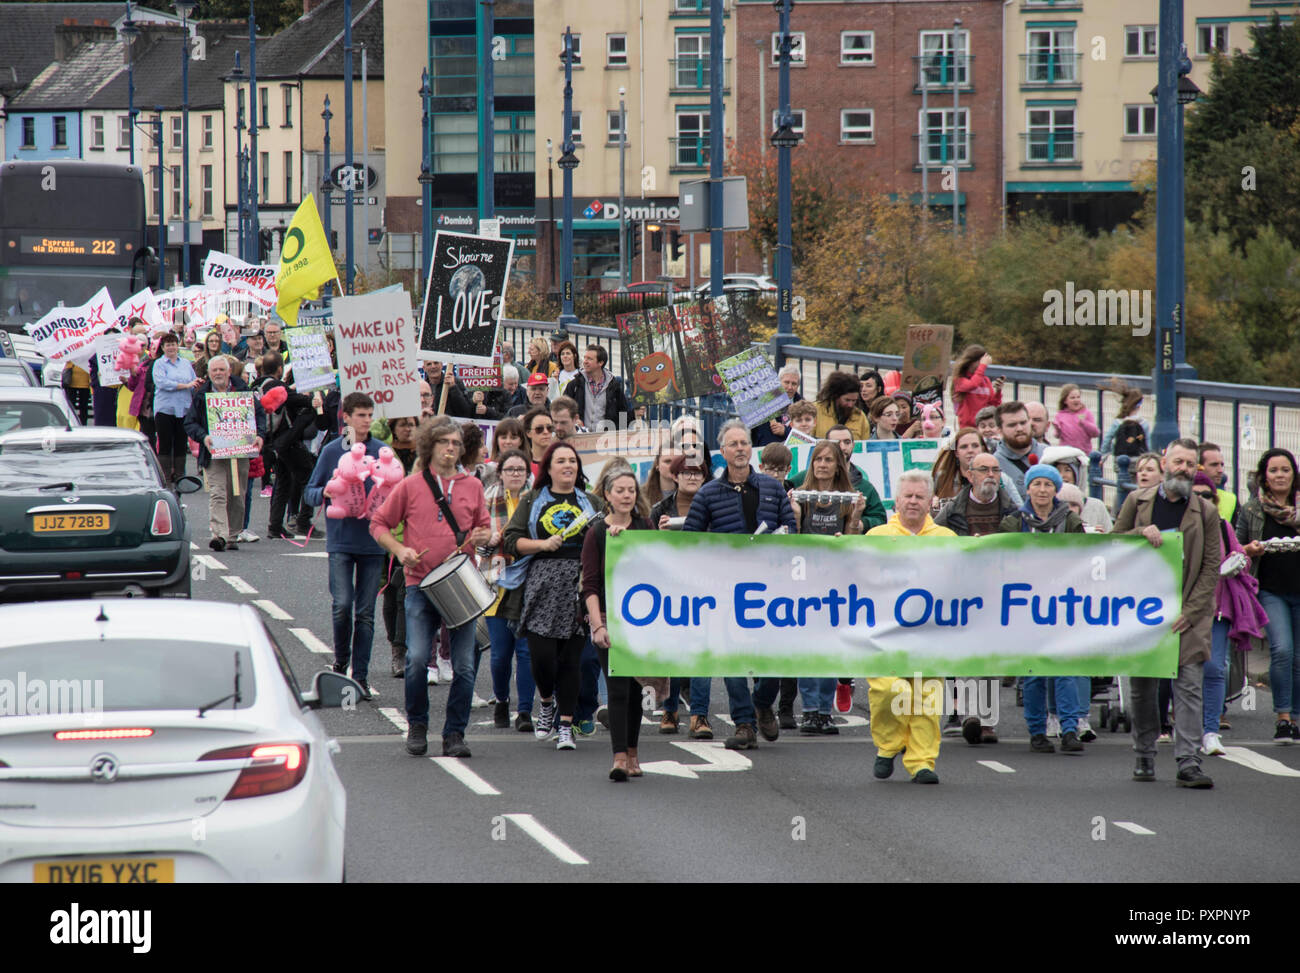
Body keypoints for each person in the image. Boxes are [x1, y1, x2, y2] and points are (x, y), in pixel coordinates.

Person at [372, 416, 492, 758]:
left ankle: (455, 733)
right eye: (444, 442)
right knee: (417, 659)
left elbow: (484, 529)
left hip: (460, 584)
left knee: (466, 665)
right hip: (419, 584)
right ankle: (418, 725)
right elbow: (379, 523)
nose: (451, 448)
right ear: (430, 446)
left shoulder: (473, 486)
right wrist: (400, 550)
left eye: (456, 443)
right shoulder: (411, 486)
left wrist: (484, 535)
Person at [683, 420, 796, 750]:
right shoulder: (708, 493)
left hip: (770, 590)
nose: (740, 448)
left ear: (751, 448)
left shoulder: (774, 489)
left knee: (774, 657)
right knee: (731, 659)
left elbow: (790, 530)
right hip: (726, 589)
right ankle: (744, 723)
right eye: (733, 444)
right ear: (723, 452)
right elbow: (691, 542)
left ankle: (763, 702)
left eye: (744, 442)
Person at [1114, 438, 1220, 787]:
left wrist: (1191, 611)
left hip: (1188, 613)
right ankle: (1144, 754)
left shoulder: (1205, 511)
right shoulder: (1136, 500)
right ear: (1164, 462)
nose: (1184, 469)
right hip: (1142, 611)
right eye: (1179, 462)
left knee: (1188, 685)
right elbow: (1112, 545)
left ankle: (1188, 760)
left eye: (1191, 464)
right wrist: (1138, 533)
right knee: (1143, 687)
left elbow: (1210, 566)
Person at [502, 441, 602, 751]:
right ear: (549, 468)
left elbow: (607, 535)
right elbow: (510, 540)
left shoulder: (593, 502)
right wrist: (542, 546)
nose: (568, 466)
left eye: (572, 461)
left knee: (571, 660)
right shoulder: (533, 499)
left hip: (579, 586)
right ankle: (546, 702)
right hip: (541, 586)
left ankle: (565, 727)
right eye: (561, 461)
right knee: (543, 658)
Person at [866, 471, 954, 783]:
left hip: (930, 635)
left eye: (920, 496)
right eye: (908, 496)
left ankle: (921, 762)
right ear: (896, 501)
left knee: (927, 698)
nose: (913, 502)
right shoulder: (876, 537)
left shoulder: (946, 539)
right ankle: (888, 746)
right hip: (884, 635)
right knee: (891, 690)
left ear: (931, 502)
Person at [998, 464, 1089, 755]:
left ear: (1055, 489)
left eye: (1048, 485)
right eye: (1036, 484)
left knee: (1064, 669)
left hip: (1062, 604)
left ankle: (1069, 729)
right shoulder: (1013, 522)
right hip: (1026, 607)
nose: (1042, 490)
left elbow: (1083, 559)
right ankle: (1037, 732)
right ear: (1027, 488)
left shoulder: (1071, 521)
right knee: (1034, 672)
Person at [303, 392, 387, 699]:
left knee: (365, 612)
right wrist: (324, 491)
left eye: (369, 415)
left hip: (373, 541)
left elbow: (396, 490)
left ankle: (360, 677)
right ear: (346, 417)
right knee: (342, 606)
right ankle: (340, 664)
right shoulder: (330, 451)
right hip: (340, 539)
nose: (366, 421)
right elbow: (309, 492)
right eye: (360, 415)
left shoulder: (382, 451)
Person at [583, 465, 657, 780]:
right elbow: (590, 584)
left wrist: (630, 541)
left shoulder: (645, 526)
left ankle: (634, 752)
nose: (627, 496)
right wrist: (598, 626)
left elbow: (658, 567)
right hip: (609, 621)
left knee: (635, 688)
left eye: (631, 491)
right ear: (607, 496)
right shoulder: (596, 531)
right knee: (616, 688)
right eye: (620, 491)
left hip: (640, 623)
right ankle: (618, 757)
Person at [788, 442, 863, 737]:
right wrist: (794, 514)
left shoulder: (845, 499)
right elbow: (792, 538)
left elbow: (852, 538)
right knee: (807, 647)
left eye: (828, 460)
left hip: (834, 581)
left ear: (837, 465)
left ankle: (824, 710)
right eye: (817, 459)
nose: (822, 464)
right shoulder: (802, 497)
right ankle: (809, 710)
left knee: (831, 647)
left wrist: (855, 518)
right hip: (805, 579)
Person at [1194, 473, 1268, 756]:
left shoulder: (1223, 528)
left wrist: (1240, 560)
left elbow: (1242, 556)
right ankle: (1184, 724)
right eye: (1196, 495)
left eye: (1207, 496)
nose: (1201, 500)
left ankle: (1210, 731)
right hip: (1187, 612)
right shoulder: (1180, 527)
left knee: (1215, 669)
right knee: (1185, 672)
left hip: (1217, 610)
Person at [1237, 447, 1300, 743]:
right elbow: (1234, 550)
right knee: (1283, 650)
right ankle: (1283, 717)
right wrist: (1249, 550)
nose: (1279, 475)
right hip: (1270, 591)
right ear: (1264, 476)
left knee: (1299, 657)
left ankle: (1297, 717)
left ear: (1293, 474)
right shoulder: (1252, 509)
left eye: (1285, 470)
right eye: (1273, 470)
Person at [649, 453, 707, 734]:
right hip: (670, 588)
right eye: (686, 472)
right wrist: (661, 534)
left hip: (706, 586)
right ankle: (669, 711)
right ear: (675, 476)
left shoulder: (713, 505)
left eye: (698, 473)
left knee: (703, 653)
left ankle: (700, 715)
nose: (692, 477)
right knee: (672, 651)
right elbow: (646, 549)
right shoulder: (660, 508)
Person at [183, 355, 266, 552]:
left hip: (240, 451)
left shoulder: (244, 391)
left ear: (229, 372)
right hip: (214, 452)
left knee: (237, 494)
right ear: (209, 374)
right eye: (214, 371)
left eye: (222, 370)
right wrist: (204, 437)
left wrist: (260, 435)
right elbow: (189, 423)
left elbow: (259, 414)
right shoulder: (201, 395)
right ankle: (219, 534)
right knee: (218, 493)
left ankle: (232, 534)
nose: (218, 374)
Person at [481, 448, 535, 731]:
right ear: (500, 473)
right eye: (510, 469)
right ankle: (501, 700)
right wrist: (490, 540)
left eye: (520, 470)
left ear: (527, 473)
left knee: (526, 652)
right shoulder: (486, 498)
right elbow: (475, 544)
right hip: (496, 582)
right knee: (501, 654)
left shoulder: (538, 498)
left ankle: (524, 710)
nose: (515, 474)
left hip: (529, 582)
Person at [262, 352, 322, 539]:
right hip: (286, 441)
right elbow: (288, 398)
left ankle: (275, 525)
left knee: (283, 482)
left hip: (272, 442)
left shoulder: (258, 385)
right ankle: (303, 521)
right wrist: (310, 401)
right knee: (309, 477)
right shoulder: (275, 385)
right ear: (280, 368)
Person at [376, 415, 419, 677]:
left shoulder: (424, 455)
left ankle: (402, 651)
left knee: (405, 592)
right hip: (388, 533)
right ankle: (395, 643)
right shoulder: (383, 455)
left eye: (412, 425)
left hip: (415, 535)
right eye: (402, 424)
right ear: (392, 428)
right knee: (390, 592)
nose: (407, 428)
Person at [786, 425, 887, 529]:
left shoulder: (864, 487)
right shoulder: (803, 479)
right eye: (836, 443)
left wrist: (858, 523)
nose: (842, 447)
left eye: (847, 442)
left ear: (853, 445)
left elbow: (880, 519)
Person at [150, 333, 199, 485]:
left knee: (180, 442)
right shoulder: (159, 363)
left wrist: (196, 385)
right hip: (165, 408)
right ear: (163, 348)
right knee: (165, 443)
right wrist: (185, 386)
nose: (171, 347)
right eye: (168, 345)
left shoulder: (185, 363)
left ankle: (180, 475)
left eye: (173, 344)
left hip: (183, 408)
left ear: (178, 346)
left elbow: (193, 381)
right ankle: (165, 475)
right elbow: (162, 383)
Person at [1040, 444, 1114, 532]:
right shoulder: (1043, 506)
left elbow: (1111, 540)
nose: (1062, 476)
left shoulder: (1096, 506)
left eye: (1067, 470)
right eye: (1057, 470)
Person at [565, 344, 633, 431]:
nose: (585, 361)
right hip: (581, 438)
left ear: (600, 363)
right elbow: (563, 409)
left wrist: (619, 435)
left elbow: (623, 413)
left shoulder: (613, 386)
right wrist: (573, 422)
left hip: (606, 440)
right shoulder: (574, 385)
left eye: (589, 359)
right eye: (585, 358)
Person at [993, 401, 1048, 497]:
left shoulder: (1049, 454)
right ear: (999, 430)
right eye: (1012, 425)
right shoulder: (994, 465)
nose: (1020, 428)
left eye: (1023, 423)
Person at [951, 345, 1004, 430]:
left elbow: (993, 406)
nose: (982, 365)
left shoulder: (985, 381)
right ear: (971, 362)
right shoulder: (960, 380)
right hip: (967, 428)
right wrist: (982, 365)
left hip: (983, 428)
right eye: (979, 362)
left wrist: (998, 391)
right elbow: (972, 385)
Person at [753, 364, 804, 447]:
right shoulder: (763, 402)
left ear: (798, 386)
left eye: (794, 384)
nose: (790, 387)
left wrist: (785, 431)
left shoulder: (803, 406)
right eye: (786, 382)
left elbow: (805, 435)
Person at [1100, 381, 1150, 464]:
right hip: (1138, 460)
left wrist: (1103, 454)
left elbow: (1108, 439)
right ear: (1139, 405)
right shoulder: (1143, 423)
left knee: (1121, 476)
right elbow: (1148, 443)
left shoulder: (1118, 422)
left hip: (1119, 459)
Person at [813, 370, 871, 440]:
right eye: (847, 400)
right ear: (836, 396)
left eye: (854, 401)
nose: (850, 405)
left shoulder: (860, 417)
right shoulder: (816, 410)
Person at [1051, 384, 1099, 454]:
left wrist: (1084, 424)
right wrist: (1057, 430)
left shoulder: (1086, 413)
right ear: (1065, 401)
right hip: (1067, 453)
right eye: (1072, 398)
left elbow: (1096, 433)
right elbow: (1057, 436)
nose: (1076, 400)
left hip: (1084, 453)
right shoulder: (1060, 415)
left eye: (1078, 397)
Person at [1199, 442, 1238, 527]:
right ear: (1198, 467)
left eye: (1221, 465)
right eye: (1214, 465)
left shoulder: (1231, 499)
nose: (1220, 470)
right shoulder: (1184, 497)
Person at [522, 407, 554, 477]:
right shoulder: (521, 462)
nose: (546, 432)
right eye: (539, 429)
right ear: (528, 433)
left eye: (549, 428)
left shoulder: (560, 459)